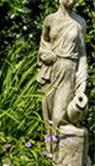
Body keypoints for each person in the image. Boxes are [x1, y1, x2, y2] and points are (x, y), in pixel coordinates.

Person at [37, 0, 88, 144]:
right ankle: (51, 158)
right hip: (50, 72)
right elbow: (43, 44)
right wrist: (44, 54)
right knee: (48, 118)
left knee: (59, 118)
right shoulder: (50, 20)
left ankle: (63, 159)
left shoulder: (79, 23)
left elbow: (82, 55)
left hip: (68, 72)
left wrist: (81, 85)